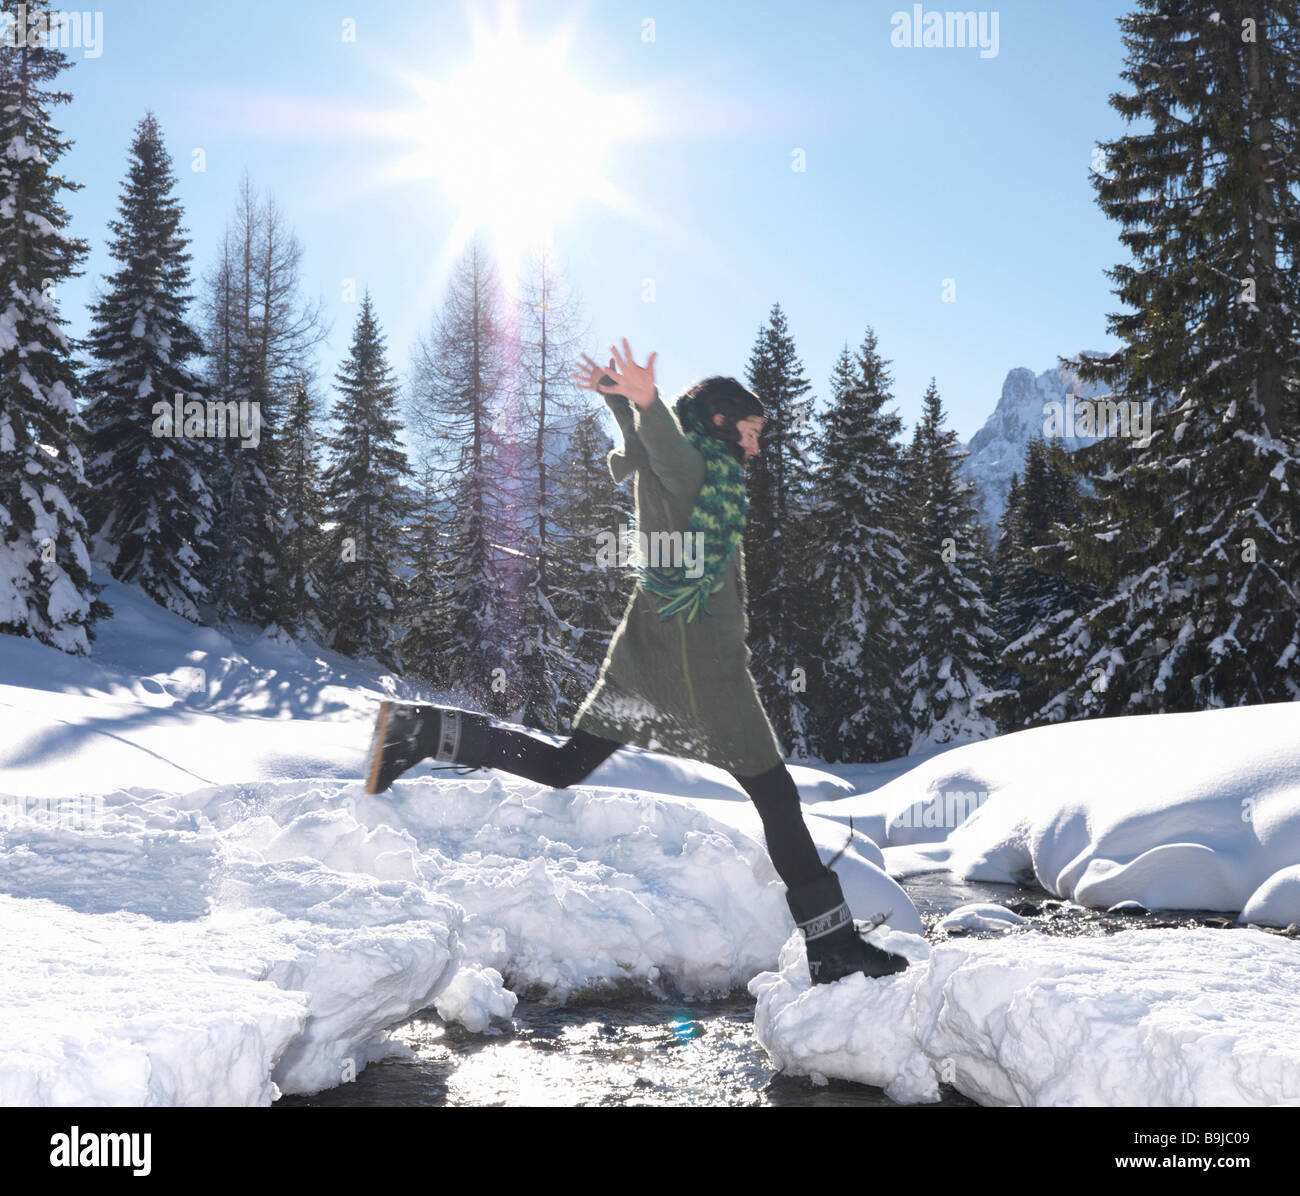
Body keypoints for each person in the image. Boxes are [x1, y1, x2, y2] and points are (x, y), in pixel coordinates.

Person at [363, 338, 908, 985]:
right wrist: (644, 405)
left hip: (646, 661)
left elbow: (659, 452)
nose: (755, 447)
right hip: (703, 676)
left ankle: (419, 731)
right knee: (777, 798)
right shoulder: (694, 469)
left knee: (566, 764)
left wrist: (624, 405)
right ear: (717, 425)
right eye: (750, 432)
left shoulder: (679, 471)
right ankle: (834, 947)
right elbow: (672, 454)